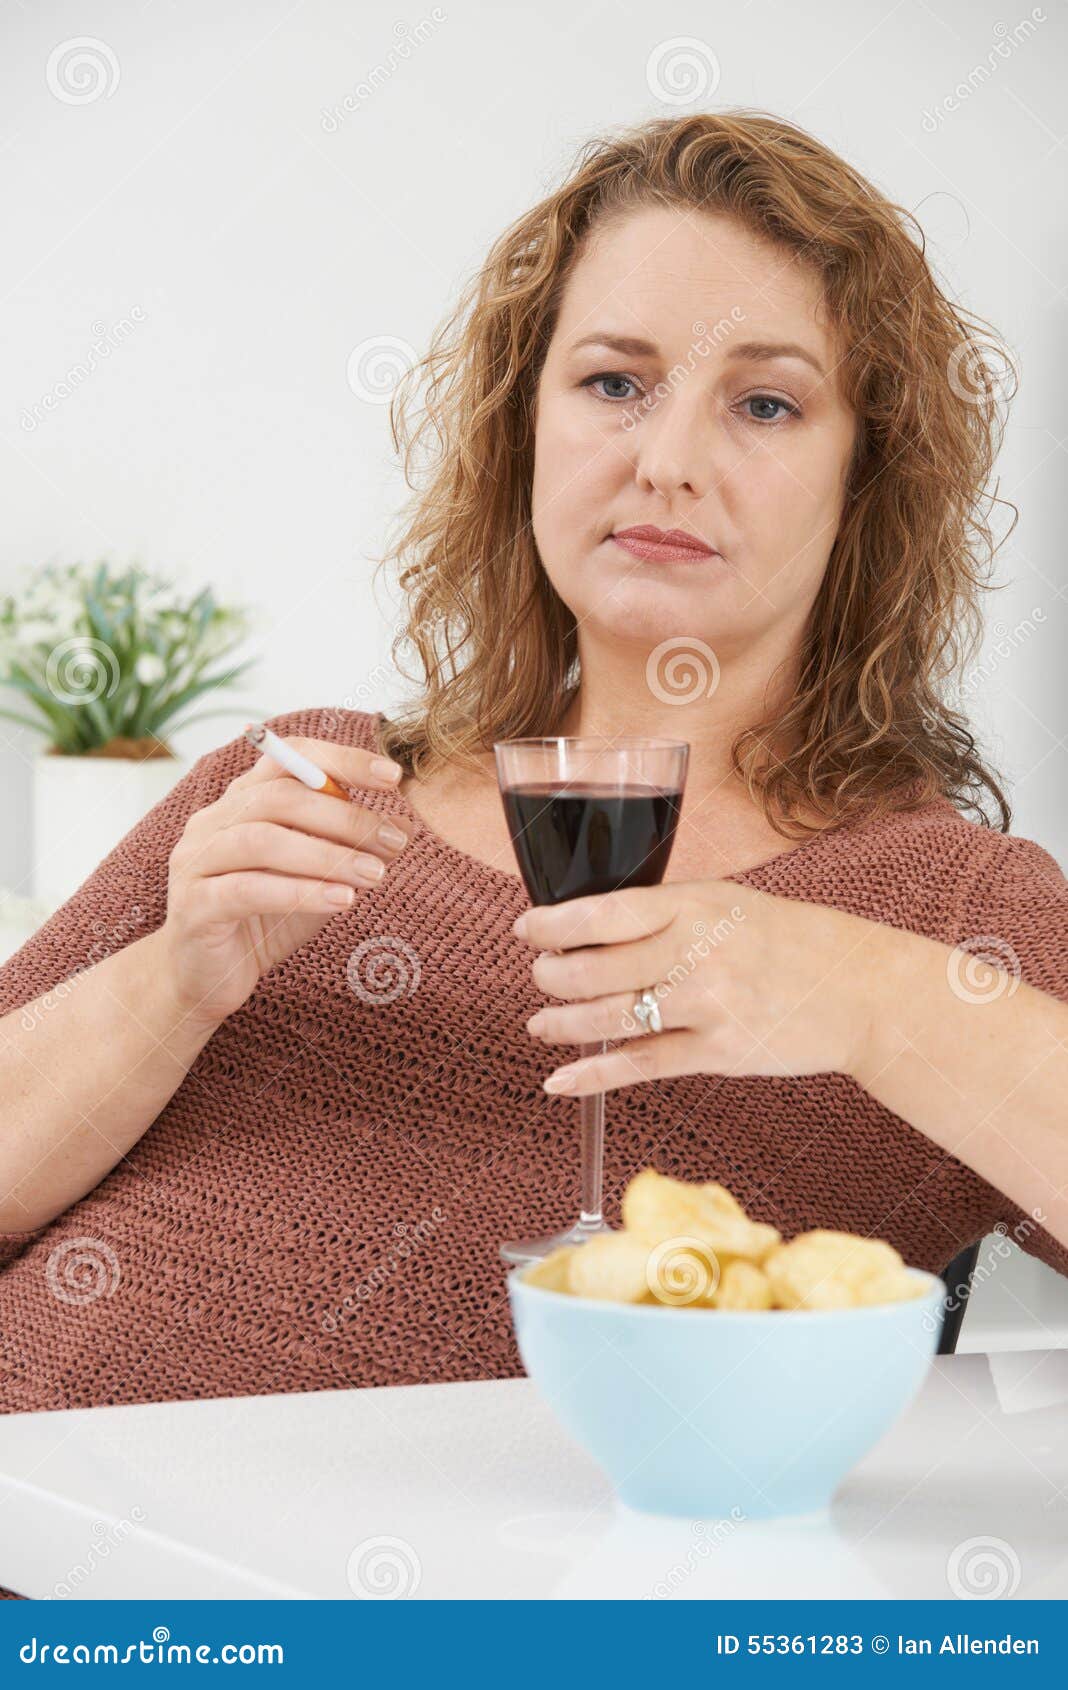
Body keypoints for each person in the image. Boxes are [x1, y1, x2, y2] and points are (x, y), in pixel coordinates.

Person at [1, 110, 1066, 1457]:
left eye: (766, 402)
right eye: (615, 382)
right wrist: (173, 981)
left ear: (866, 481)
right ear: (524, 431)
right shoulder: (304, 778)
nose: (666, 456)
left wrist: (873, 1000)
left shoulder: (953, 903)